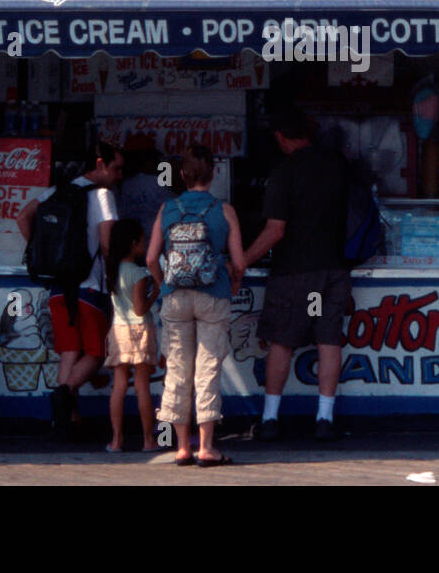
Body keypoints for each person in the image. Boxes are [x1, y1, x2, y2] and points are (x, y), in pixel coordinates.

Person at [243, 109, 349, 442]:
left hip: (294, 272)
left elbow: (275, 230)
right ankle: (324, 420)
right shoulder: (337, 166)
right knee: (329, 340)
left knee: (282, 342)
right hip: (334, 268)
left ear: (282, 138)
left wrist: (242, 260)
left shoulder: (283, 173)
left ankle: (271, 419)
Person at [146, 145, 246, 467]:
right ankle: (206, 447)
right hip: (213, 295)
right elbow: (240, 262)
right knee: (207, 369)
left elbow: (150, 259)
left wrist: (165, 284)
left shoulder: (167, 210)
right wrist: (233, 284)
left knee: (177, 368)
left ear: (183, 175)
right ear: (213, 174)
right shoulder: (225, 211)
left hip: (175, 296)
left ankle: (181, 448)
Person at [17, 142, 124, 436]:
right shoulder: (103, 196)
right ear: (100, 163)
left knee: (69, 351)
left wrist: (40, 252)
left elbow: (22, 217)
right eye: (116, 168)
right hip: (91, 286)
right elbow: (106, 244)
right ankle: (63, 394)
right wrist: (117, 281)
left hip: (58, 286)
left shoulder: (56, 190)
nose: (119, 175)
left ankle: (66, 420)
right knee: (97, 353)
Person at [103, 217, 160, 453]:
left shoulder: (111, 270)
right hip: (140, 330)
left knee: (118, 386)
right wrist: (157, 289)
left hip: (118, 329)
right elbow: (139, 309)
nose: (145, 244)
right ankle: (148, 440)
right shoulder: (138, 274)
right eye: (144, 240)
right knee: (142, 386)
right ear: (134, 243)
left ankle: (116, 440)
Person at [119, 136, 175, 239]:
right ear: (147, 159)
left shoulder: (124, 185)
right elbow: (175, 207)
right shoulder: (157, 183)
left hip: (130, 241)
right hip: (154, 240)